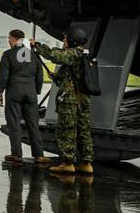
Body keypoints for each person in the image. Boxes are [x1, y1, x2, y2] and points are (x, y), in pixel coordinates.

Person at [32, 26, 95, 175]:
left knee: (67, 130)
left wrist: (38, 46)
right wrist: (57, 77)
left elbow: (55, 55)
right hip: (83, 99)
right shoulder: (84, 55)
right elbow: (73, 77)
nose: (64, 41)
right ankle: (86, 163)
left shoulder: (73, 54)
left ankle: (67, 163)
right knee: (83, 130)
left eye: (66, 38)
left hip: (70, 101)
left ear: (73, 40)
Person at [0, 28, 46, 166]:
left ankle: (16, 154)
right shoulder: (33, 55)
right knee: (33, 124)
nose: (8, 41)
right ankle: (39, 155)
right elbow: (40, 75)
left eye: (9, 38)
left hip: (14, 91)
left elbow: (3, 75)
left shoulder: (8, 54)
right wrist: (36, 91)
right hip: (30, 91)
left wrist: (0, 92)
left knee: (14, 123)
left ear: (14, 39)